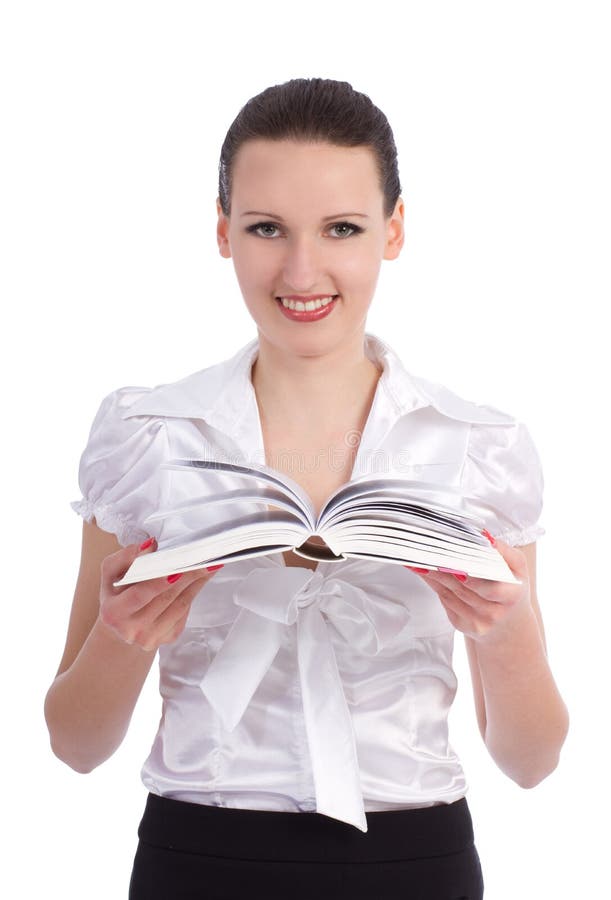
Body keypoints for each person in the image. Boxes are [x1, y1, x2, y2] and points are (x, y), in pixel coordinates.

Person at [44, 77, 569, 900]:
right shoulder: (148, 435)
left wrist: (505, 636)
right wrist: (123, 634)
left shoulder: (479, 446)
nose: (301, 269)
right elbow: (73, 744)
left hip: (415, 858)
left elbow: (532, 762)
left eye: (341, 229)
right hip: (197, 855)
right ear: (222, 231)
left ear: (392, 232)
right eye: (265, 228)